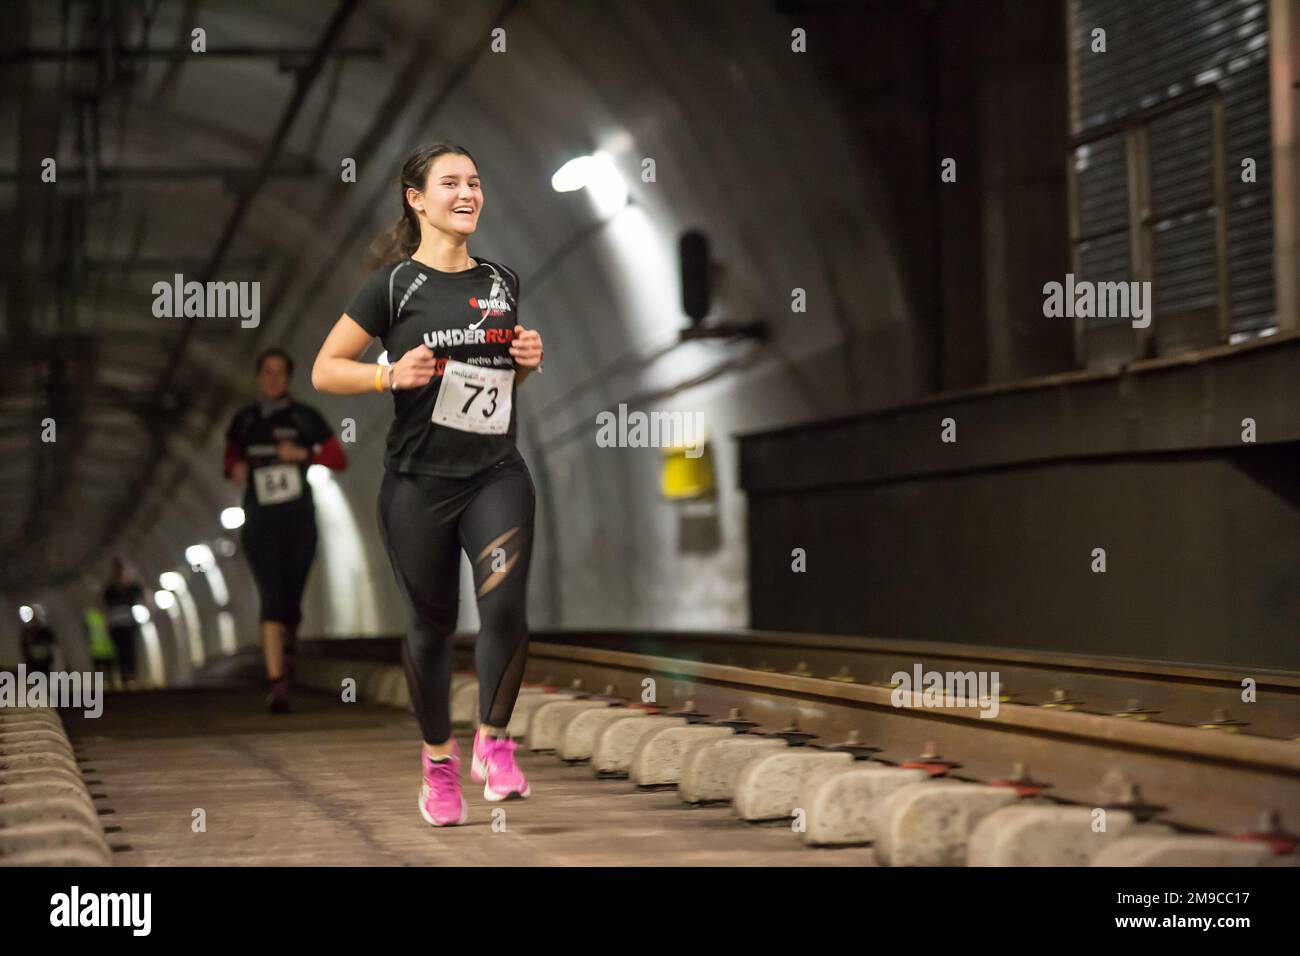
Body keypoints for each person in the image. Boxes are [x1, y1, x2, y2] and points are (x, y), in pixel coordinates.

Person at [311, 142, 545, 826]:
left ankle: (494, 744)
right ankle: (438, 764)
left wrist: (526, 362)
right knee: (431, 628)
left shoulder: (502, 278)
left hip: (495, 473)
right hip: (418, 483)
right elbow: (326, 369)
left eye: (475, 181)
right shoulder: (391, 287)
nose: (467, 192)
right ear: (417, 200)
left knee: (503, 610)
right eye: (451, 183)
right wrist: (388, 374)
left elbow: (498, 383)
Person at [224, 348, 349, 713]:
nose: (273, 378)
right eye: (267, 371)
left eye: (280, 372)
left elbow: (338, 459)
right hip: (260, 522)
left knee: (292, 600)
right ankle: (277, 684)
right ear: (259, 376)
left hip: (298, 521)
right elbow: (229, 460)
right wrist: (236, 470)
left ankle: (288, 650)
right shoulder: (244, 420)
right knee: (272, 596)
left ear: (289, 377)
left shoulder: (306, 418)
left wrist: (303, 455)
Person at [103, 556, 146, 687]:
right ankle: (124, 679)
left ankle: (132, 677)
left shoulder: (133, 587)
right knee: (120, 652)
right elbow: (101, 604)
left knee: (131, 650)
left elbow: (145, 597)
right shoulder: (109, 590)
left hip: (130, 625)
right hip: (116, 627)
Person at [84, 605, 118, 688]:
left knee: (103, 671)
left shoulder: (92, 614)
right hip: (101, 649)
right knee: (104, 671)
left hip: (101, 649)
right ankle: (107, 685)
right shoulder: (102, 614)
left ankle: (105, 685)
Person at [20, 604, 58, 677]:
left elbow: (53, 644)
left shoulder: (46, 630)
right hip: (34, 662)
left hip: (46, 660)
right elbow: (24, 646)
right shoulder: (27, 632)